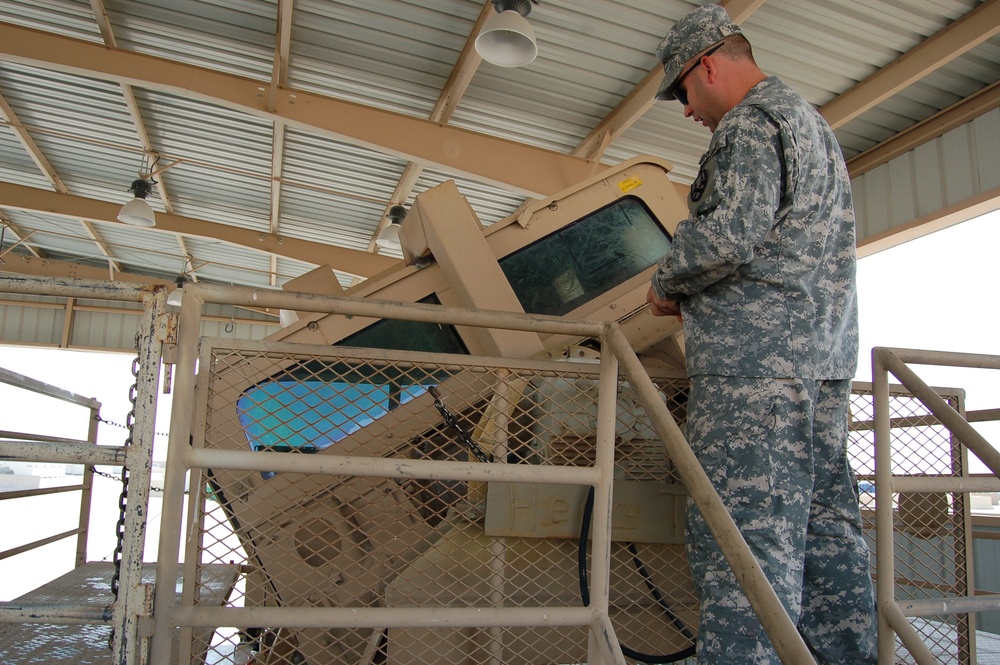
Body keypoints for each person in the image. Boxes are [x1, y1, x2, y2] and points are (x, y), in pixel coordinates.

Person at [646, 4, 877, 664]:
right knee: (825, 536)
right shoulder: (809, 122)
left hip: (757, 374)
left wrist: (667, 281)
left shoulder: (749, 124)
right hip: (821, 367)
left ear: (708, 65)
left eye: (684, 91)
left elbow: (730, 232)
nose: (687, 110)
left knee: (744, 546)